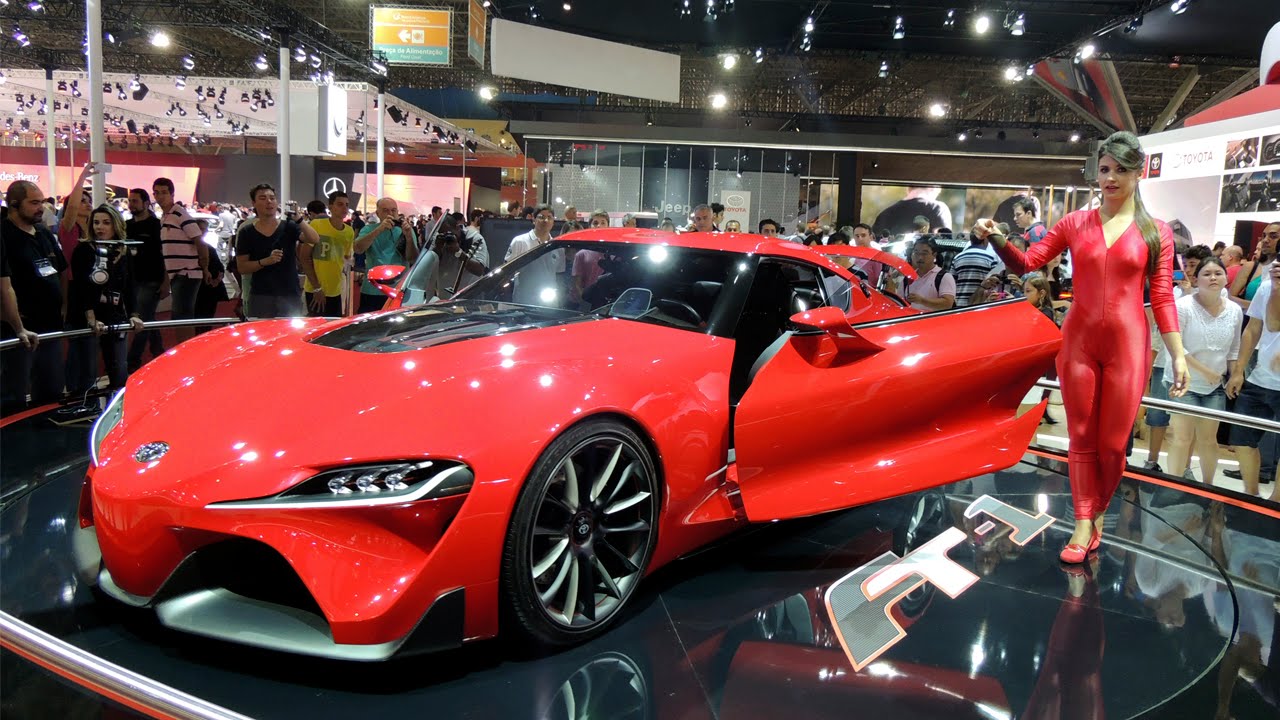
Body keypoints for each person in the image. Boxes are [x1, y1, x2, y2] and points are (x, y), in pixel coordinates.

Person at [976, 130, 1188, 564]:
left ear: (1139, 173)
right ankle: (1084, 520)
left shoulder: (1156, 232)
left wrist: (1178, 353)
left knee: (1113, 444)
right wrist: (998, 238)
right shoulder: (1075, 223)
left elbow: (1162, 295)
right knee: (1081, 437)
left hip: (1129, 344)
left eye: (1120, 170)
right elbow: (1029, 262)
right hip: (1078, 343)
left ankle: (1097, 511)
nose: (1110, 178)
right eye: (1104, 169)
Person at [1163, 257, 1240, 484]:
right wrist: (1206, 371)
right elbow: (1176, 347)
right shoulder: (1183, 306)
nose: (1213, 278)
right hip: (1182, 383)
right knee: (1182, 439)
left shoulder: (1234, 310)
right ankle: (1173, 486)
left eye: (1218, 273)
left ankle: (1208, 488)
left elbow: (1234, 349)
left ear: (1226, 278)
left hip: (1214, 386)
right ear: (1196, 279)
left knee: (1208, 440)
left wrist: (1235, 374)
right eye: (1207, 274)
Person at [1, 180, 66, 411]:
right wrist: (17, 325)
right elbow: (4, 286)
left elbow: (62, 271)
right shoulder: (4, 235)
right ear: (14, 205)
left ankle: (46, 425)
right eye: (34, 203)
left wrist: (64, 307)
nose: (41, 208)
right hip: (18, 328)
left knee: (51, 388)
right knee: (14, 392)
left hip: (50, 324)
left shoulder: (43, 232)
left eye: (42, 202)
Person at [70, 205, 144, 393]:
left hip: (115, 315)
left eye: (105, 223)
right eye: (96, 222)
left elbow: (130, 286)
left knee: (119, 370)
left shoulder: (124, 250)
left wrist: (134, 314)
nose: (99, 227)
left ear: (115, 225)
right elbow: (80, 287)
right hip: (88, 317)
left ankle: (117, 407)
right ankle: (88, 405)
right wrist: (91, 317)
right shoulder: (84, 249)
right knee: (88, 372)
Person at [1226, 261, 1280, 501]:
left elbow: (1275, 323)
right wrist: (1238, 371)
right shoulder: (1267, 286)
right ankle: (1251, 493)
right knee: (1241, 438)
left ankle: (1276, 501)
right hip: (1260, 377)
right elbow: (1253, 329)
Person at [234, 183, 319, 318]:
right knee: (262, 330)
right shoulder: (247, 232)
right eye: (263, 198)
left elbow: (314, 239)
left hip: (290, 294)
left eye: (272, 198)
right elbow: (242, 267)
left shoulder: (289, 226)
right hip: (261, 295)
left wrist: (299, 219)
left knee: (290, 330)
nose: (269, 201)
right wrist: (264, 262)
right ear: (254, 203)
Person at [155, 177, 210, 341]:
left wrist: (205, 268)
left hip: (187, 273)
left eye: (164, 192)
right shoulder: (166, 217)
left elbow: (199, 241)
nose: (160, 197)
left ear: (172, 194)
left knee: (182, 316)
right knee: (180, 315)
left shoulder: (179, 214)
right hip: (179, 274)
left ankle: (186, 348)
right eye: (157, 193)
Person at [353, 197, 419, 314]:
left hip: (399, 289)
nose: (390, 214)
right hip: (373, 289)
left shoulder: (406, 230)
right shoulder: (368, 229)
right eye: (385, 210)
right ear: (378, 213)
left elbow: (412, 258)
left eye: (393, 210)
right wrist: (379, 229)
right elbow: (358, 249)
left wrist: (409, 237)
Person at [125, 189, 166, 372]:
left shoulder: (157, 226)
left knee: (141, 319)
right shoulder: (126, 226)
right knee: (147, 317)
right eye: (130, 201)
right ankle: (158, 351)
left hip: (152, 279)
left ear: (146, 203)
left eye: (135, 201)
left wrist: (166, 281)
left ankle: (133, 361)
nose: (131, 204)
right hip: (132, 279)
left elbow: (165, 254)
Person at [301, 191, 354, 317]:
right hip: (316, 289)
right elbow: (304, 257)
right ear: (330, 207)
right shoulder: (317, 225)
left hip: (336, 290)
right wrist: (316, 287)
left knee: (334, 324)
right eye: (340, 204)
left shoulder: (349, 231)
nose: (344, 208)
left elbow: (346, 257)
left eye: (347, 205)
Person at [505, 204, 564, 306]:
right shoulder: (520, 241)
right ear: (533, 219)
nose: (545, 220)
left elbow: (559, 275)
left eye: (549, 217)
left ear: (553, 221)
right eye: (541, 217)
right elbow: (507, 271)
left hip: (550, 303)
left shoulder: (557, 246)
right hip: (524, 301)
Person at [872, 186, 953, 239]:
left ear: (908, 189)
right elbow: (944, 242)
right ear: (933, 189)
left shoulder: (885, 214)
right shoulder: (938, 208)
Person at [899, 237, 956, 312]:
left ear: (934, 255)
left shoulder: (944, 277)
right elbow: (900, 303)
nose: (920, 257)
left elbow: (948, 304)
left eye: (924, 253)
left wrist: (922, 300)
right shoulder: (908, 278)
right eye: (916, 253)